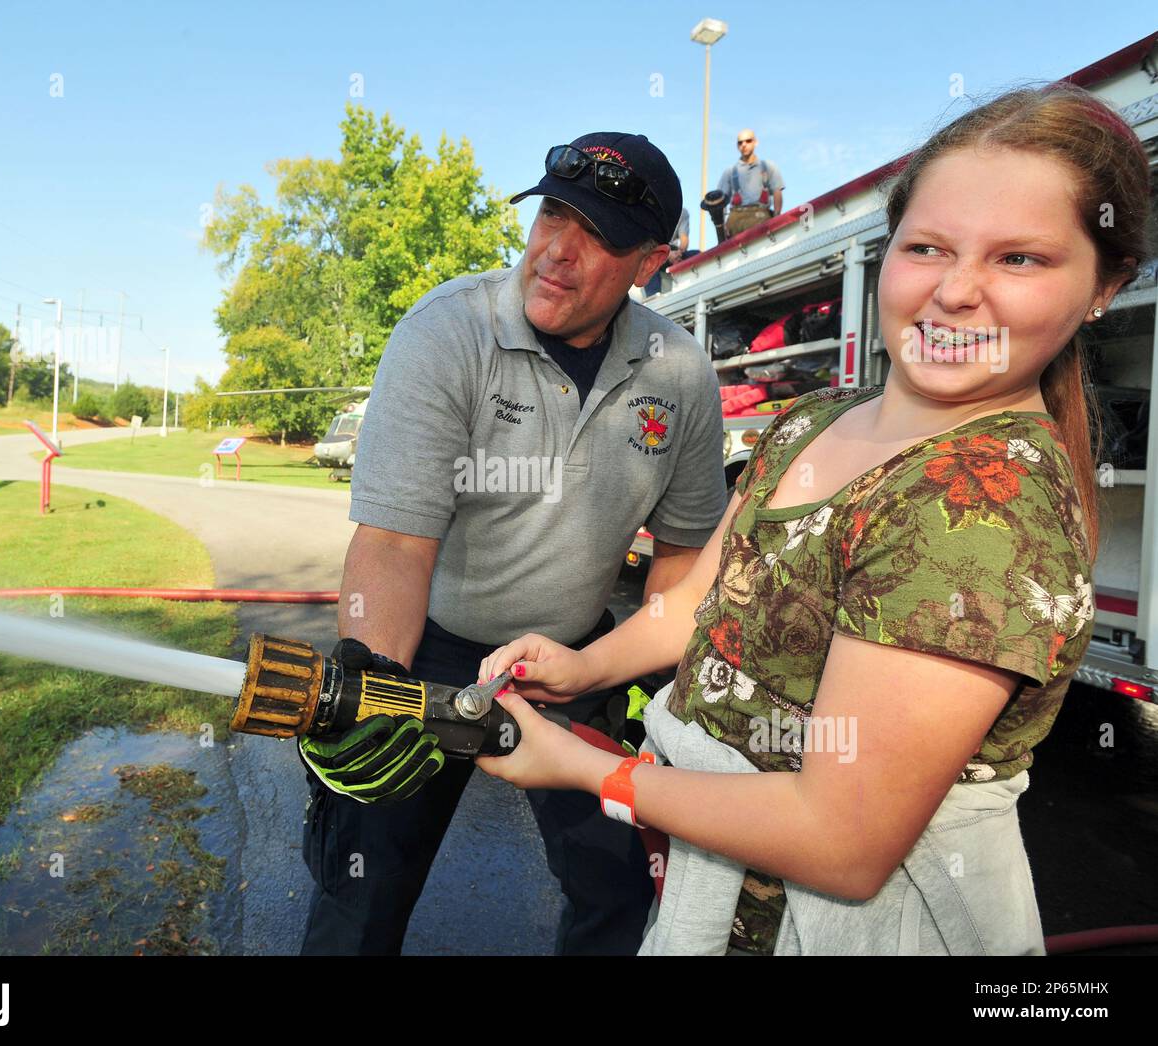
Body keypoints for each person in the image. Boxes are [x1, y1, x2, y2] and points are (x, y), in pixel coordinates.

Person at [474, 82, 1150, 955]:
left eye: (1020, 259)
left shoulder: (981, 507)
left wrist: (583, 767)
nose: (956, 292)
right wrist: (579, 667)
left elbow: (843, 840)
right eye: (930, 247)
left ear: (1106, 287)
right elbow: (700, 601)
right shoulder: (816, 417)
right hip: (720, 908)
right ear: (889, 248)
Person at [298, 132, 729, 955]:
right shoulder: (447, 332)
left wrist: (662, 703)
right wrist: (376, 683)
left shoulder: (679, 374)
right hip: (425, 650)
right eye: (552, 216)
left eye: (597, 235)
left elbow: (681, 559)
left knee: (620, 882)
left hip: (570, 665)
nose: (557, 253)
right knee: (363, 884)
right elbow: (393, 545)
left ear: (649, 263)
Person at [710, 128, 784, 243]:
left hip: (761, 215)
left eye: (748, 141)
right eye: (740, 142)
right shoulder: (730, 172)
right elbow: (721, 201)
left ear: (755, 142)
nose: (744, 145)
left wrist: (777, 217)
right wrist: (723, 225)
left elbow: (777, 191)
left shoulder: (768, 166)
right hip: (736, 218)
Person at [642, 206, 691, 299]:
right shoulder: (651, 210)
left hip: (673, 250)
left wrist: (678, 253)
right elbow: (648, 244)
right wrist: (667, 255)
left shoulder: (683, 212)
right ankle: (652, 299)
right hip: (654, 251)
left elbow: (684, 240)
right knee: (650, 263)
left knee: (696, 254)